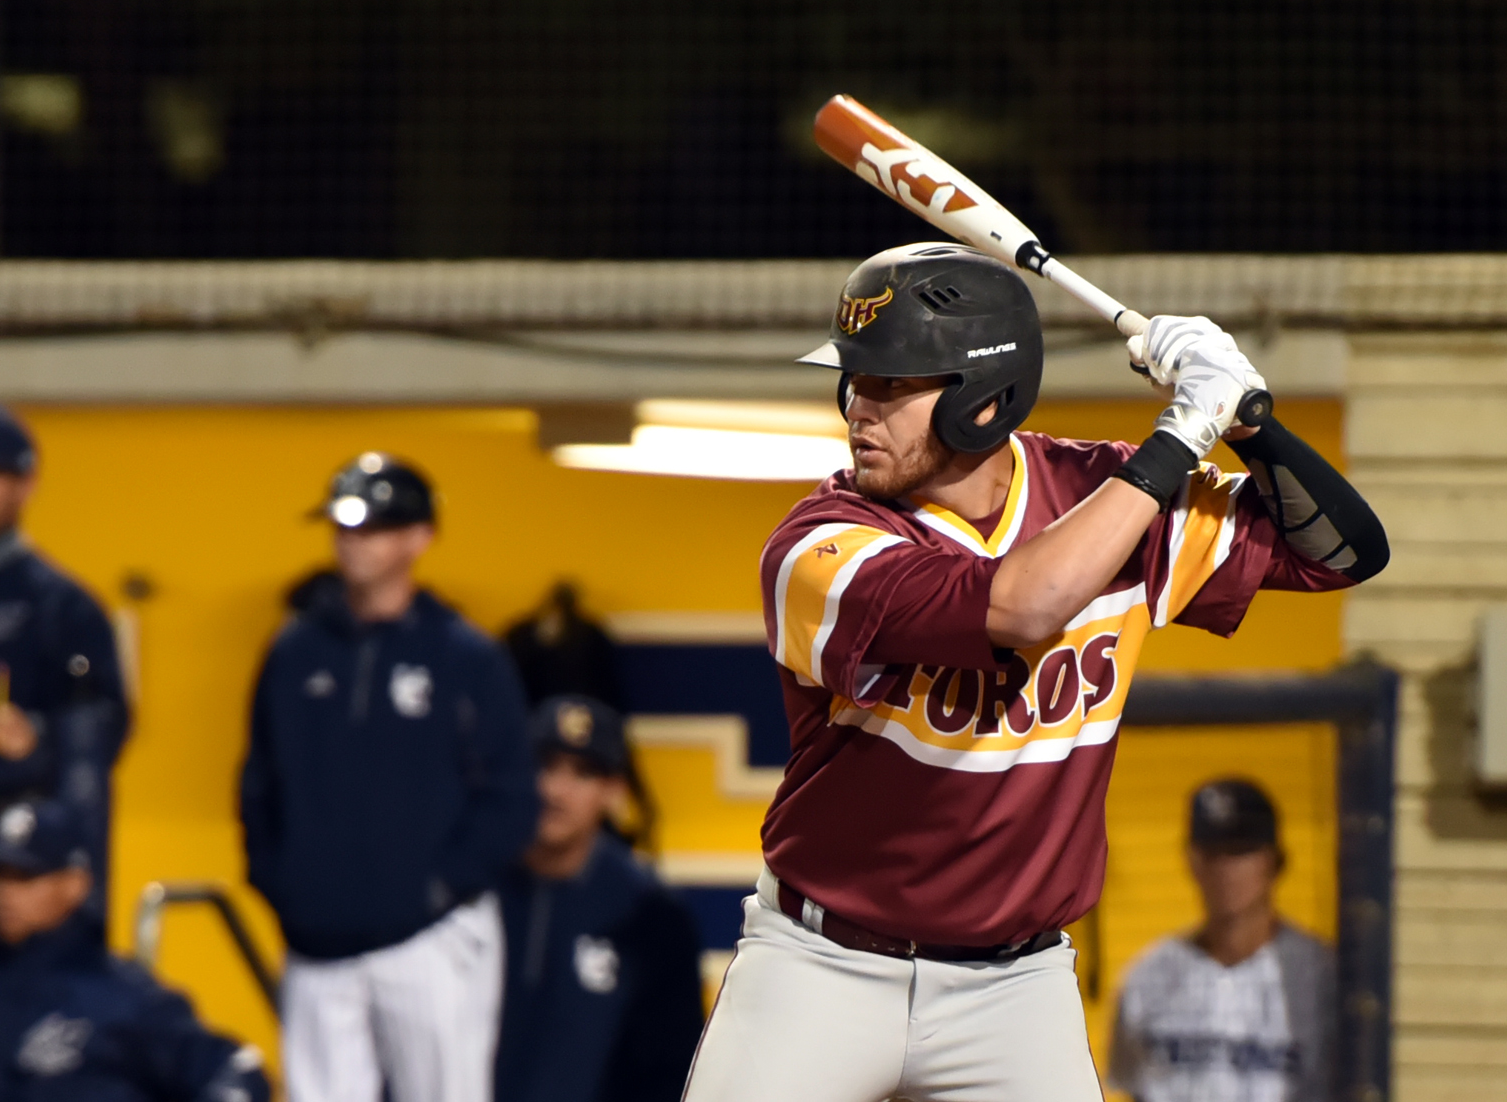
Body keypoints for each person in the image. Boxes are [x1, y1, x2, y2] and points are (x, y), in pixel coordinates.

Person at [682, 243, 1387, 1102]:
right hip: (822, 965)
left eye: (894, 385)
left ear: (986, 399)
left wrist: (1248, 419)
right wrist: (1178, 436)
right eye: (856, 380)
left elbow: (1346, 552)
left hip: (1013, 986)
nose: (859, 408)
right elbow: (1024, 605)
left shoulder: (1100, 490)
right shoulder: (818, 545)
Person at [239, 453, 538, 1102]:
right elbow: (259, 783)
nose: (352, 540)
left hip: (430, 937)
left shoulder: (465, 655)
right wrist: (282, 883)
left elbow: (512, 797)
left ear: (417, 536)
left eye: (371, 526)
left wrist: (437, 888)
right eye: (344, 526)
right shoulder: (293, 649)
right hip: (316, 940)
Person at [0, 800, 269, 1101]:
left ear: (74, 884)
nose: (5, 893)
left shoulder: (122, 996)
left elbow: (231, 1072)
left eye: (25, 877)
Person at [0, 403, 128, 957]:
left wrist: (34, 740)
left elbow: (88, 758)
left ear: (24, 484)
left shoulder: (61, 609)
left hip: (14, 880)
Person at [495, 694, 704, 1102]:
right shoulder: (465, 891)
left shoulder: (653, 918)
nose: (556, 790)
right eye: (545, 765)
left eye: (583, 773)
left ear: (613, 790)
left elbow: (669, 1072)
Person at [1109, 779, 1334, 1102]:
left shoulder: (1321, 975)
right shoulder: (1150, 974)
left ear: (1274, 860)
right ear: (1191, 860)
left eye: (1241, 851)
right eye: (1213, 853)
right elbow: (1133, 1087)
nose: (1226, 868)